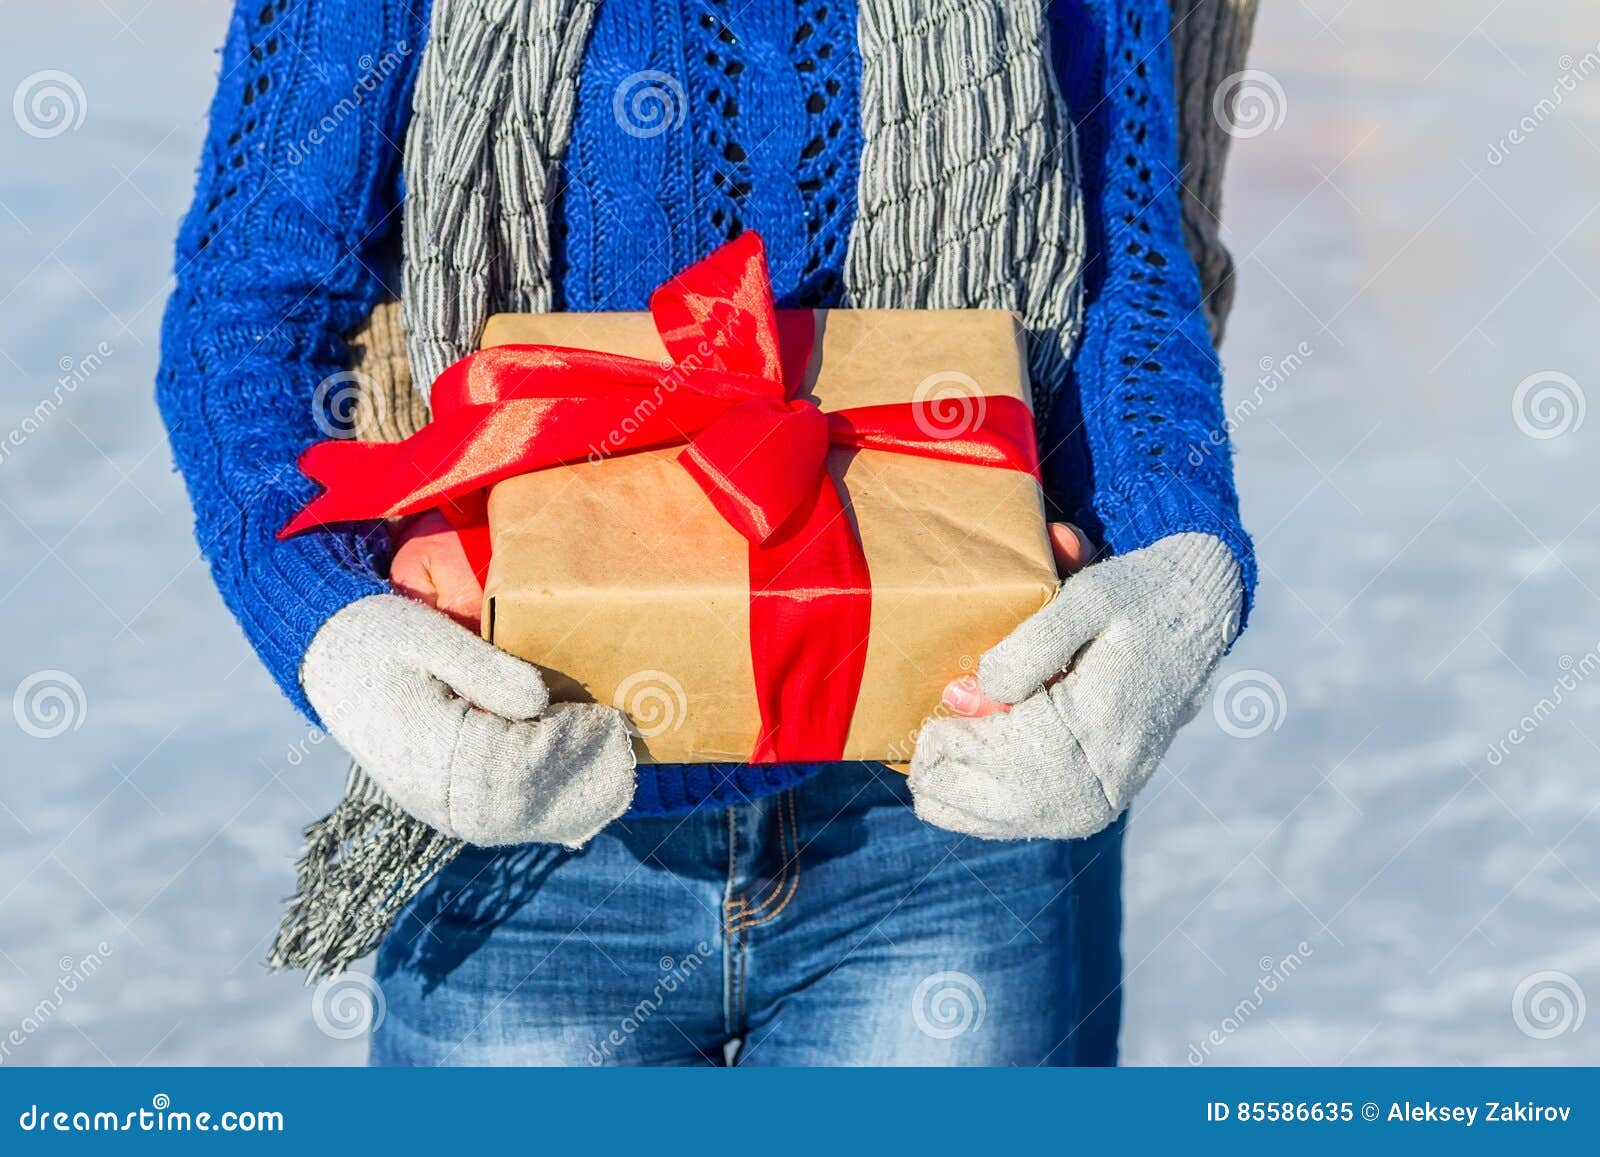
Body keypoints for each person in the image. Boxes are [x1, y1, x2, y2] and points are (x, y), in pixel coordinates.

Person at [157, 0, 1258, 1065]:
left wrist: (1178, 558)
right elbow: (251, 298)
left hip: (959, 781)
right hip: (523, 786)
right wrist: (332, 623)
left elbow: (1126, 269)